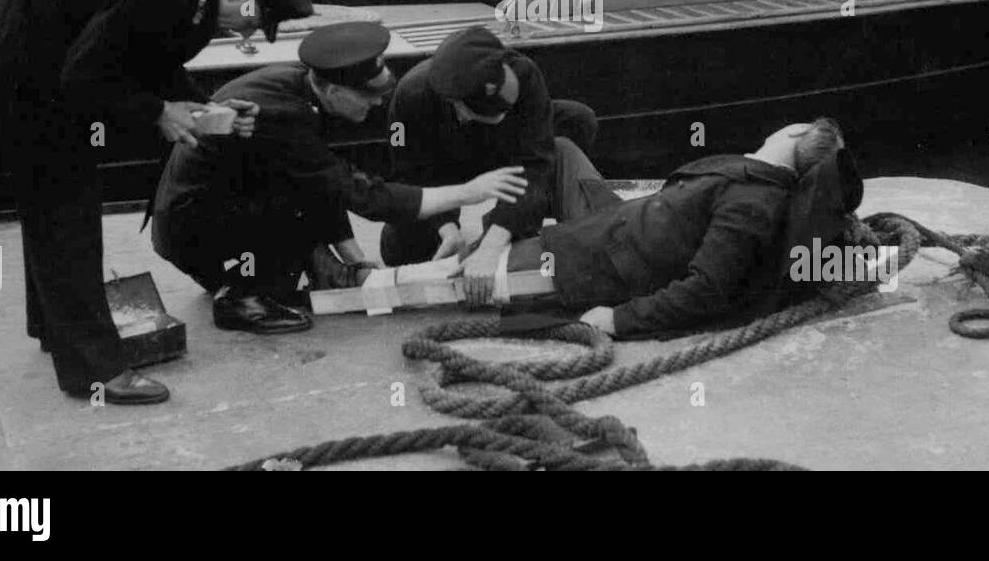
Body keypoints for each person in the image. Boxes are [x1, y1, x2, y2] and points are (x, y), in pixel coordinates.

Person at [0, 0, 313, 404]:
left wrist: (204, 107)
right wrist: (157, 112)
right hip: (26, 46)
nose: (248, 36)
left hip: (58, 43)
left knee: (59, 195)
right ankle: (93, 371)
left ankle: (55, 328)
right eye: (254, 21)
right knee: (62, 200)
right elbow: (83, 75)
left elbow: (150, 59)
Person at [151, 22, 529, 334]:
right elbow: (361, 196)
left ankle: (310, 270)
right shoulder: (282, 116)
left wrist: (357, 263)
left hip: (215, 213)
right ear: (332, 89)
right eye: (367, 97)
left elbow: (322, 181)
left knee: (307, 186)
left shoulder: (304, 89)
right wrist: (467, 192)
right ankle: (242, 298)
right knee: (297, 208)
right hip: (194, 235)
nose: (378, 103)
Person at [495, 119, 864, 339]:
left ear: (795, 132)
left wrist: (619, 319)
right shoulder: (756, 179)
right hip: (625, 221)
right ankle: (515, 233)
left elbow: (707, 288)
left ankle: (501, 248)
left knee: (486, 270)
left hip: (607, 258)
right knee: (561, 149)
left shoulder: (753, 202)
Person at [385, 26, 603, 303]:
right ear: (455, 102)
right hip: (445, 166)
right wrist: (445, 227)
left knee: (578, 119)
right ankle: (499, 225)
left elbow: (534, 166)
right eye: (466, 112)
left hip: (504, 152)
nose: (465, 118)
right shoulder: (410, 95)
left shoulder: (525, 74)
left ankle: (516, 223)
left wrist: (492, 244)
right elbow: (407, 173)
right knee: (397, 248)